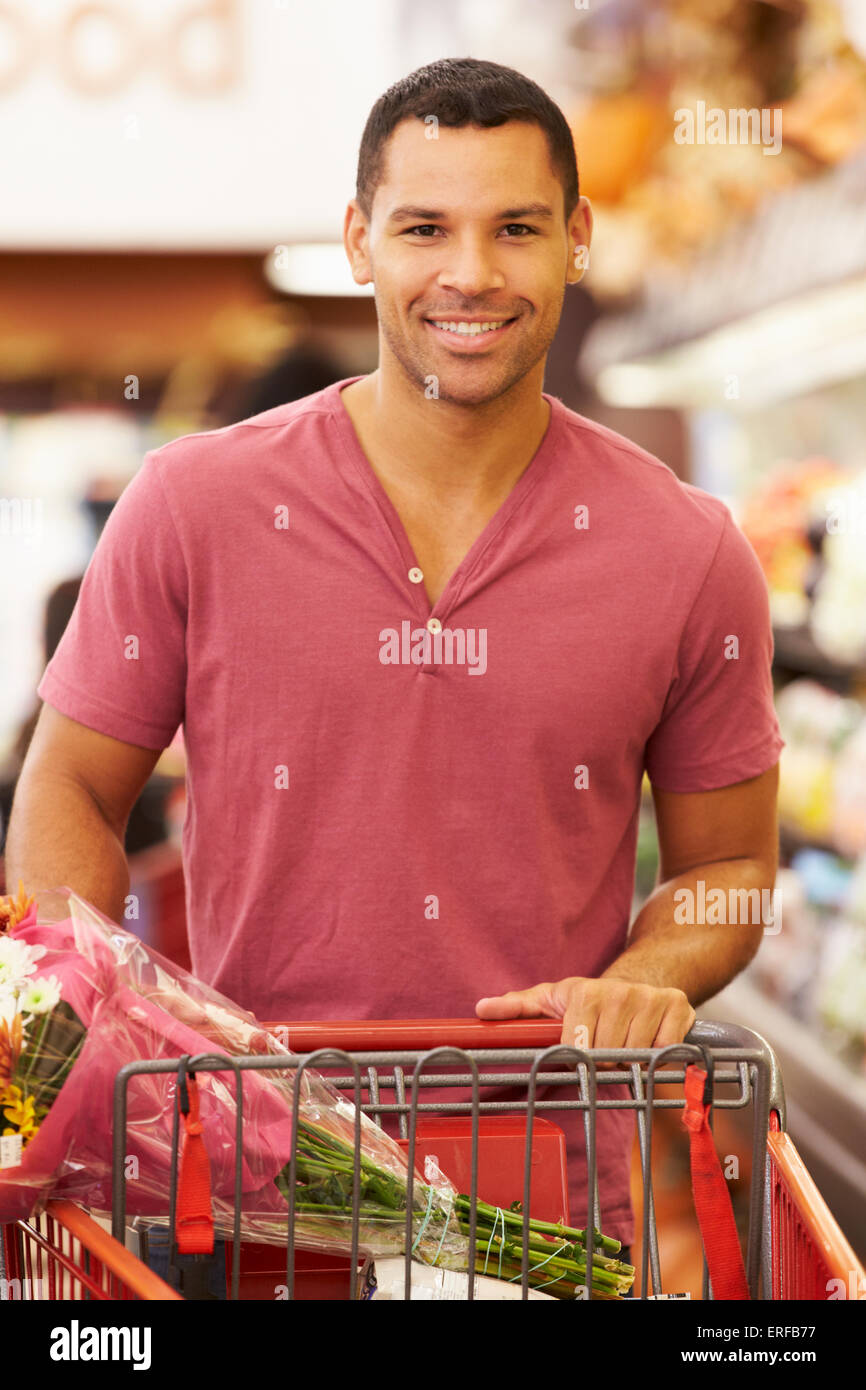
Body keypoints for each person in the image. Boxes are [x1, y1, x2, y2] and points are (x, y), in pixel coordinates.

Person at [6, 57, 782, 1290]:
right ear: (361, 240)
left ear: (574, 241)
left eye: (515, 228)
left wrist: (640, 981)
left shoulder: (686, 551)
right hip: (237, 1187)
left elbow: (731, 864)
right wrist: (76, 1016)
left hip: (540, 1217)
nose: (468, 272)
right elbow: (75, 787)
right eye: (425, 227)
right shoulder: (195, 505)